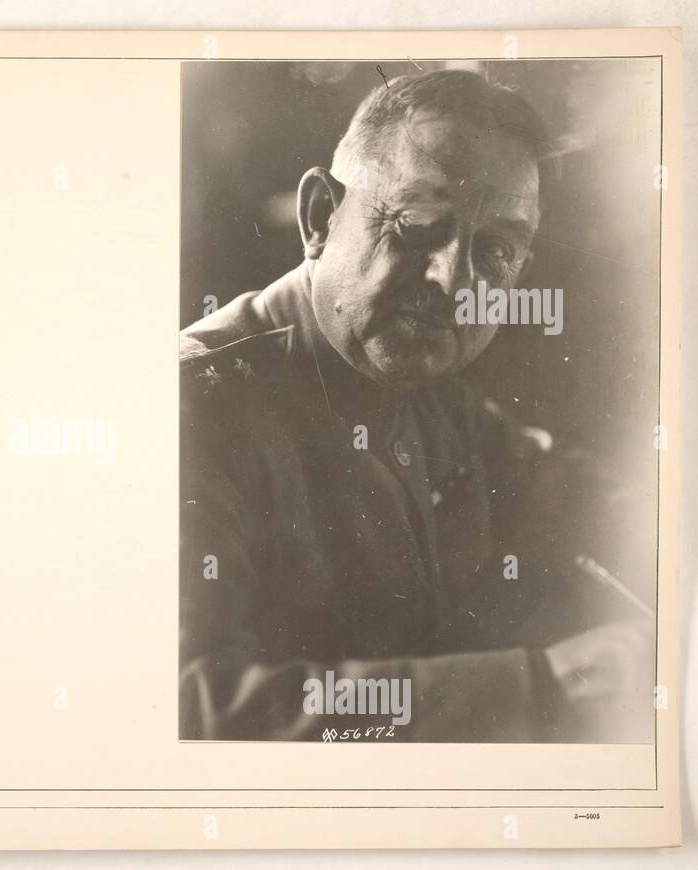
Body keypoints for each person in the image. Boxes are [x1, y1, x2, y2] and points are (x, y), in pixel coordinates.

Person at [179, 69, 654, 743]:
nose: (452, 282)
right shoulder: (194, 411)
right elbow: (192, 706)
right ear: (320, 216)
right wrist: (542, 685)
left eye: (495, 252)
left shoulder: (424, 381)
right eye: (419, 225)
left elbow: (574, 494)